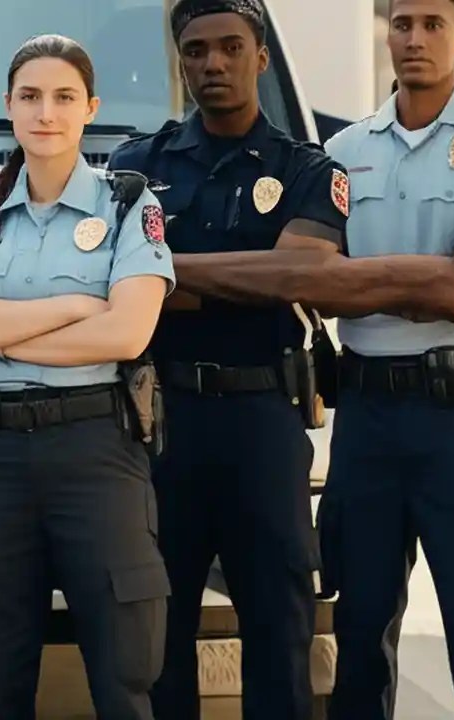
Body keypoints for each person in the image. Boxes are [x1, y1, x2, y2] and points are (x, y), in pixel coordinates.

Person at [149, 1, 454, 717]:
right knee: (358, 631)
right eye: (402, 24)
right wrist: (416, 277)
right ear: (386, 34)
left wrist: (169, 270)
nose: (415, 38)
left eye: (433, 24)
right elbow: (307, 283)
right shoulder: (344, 151)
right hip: (367, 415)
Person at [104, 2, 353, 718]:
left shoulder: (307, 168)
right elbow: (116, 285)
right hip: (161, 424)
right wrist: (251, 274)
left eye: (231, 47)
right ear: (180, 62)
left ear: (260, 57)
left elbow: (300, 275)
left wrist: (164, 271)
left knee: (280, 626)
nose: (213, 63)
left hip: (263, 420)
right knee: (159, 631)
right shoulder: (135, 165)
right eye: (196, 50)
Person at [0, 34, 176, 720]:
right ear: (8, 106)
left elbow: (126, 334)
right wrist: (74, 306)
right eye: (31, 96)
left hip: (94, 449)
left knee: (124, 671)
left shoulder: (128, 205)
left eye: (65, 97)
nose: (46, 113)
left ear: (90, 108)